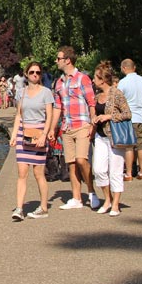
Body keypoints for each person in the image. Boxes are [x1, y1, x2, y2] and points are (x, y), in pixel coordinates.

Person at [50, 46, 100, 210]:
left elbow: (91, 102)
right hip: (66, 126)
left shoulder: (82, 79)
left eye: (59, 58)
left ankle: (91, 192)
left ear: (67, 60)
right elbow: (57, 107)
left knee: (81, 159)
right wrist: (52, 129)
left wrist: (93, 124)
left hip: (82, 125)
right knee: (71, 163)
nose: (56, 61)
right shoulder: (59, 82)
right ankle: (76, 197)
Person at [10, 62, 54, 220]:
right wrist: (14, 134)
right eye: (32, 72)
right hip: (24, 132)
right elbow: (18, 115)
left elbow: (49, 115)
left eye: (38, 72)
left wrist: (44, 134)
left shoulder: (46, 92)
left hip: (38, 133)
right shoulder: (21, 92)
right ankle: (19, 208)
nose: (35, 75)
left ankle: (43, 207)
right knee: (22, 173)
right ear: (26, 74)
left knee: (38, 173)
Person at [90, 62, 132, 216]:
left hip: (114, 137)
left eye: (95, 77)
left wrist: (109, 116)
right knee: (99, 170)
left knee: (115, 171)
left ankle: (115, 204)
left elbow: (128, 114)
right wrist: (94, 119)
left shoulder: (116, 93)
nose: (93, 80)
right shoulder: (97, 96)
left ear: (102, 79)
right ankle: (107, 198)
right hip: (100, 137)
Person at [117, 59, 142, 180]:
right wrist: (141, 103)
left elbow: (119, 99)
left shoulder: (123, 82)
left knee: (129, 146)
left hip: (129, 116)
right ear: (134, 67)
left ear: (124, 68)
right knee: (141, 145)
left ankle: (129, 173)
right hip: (141, 115)